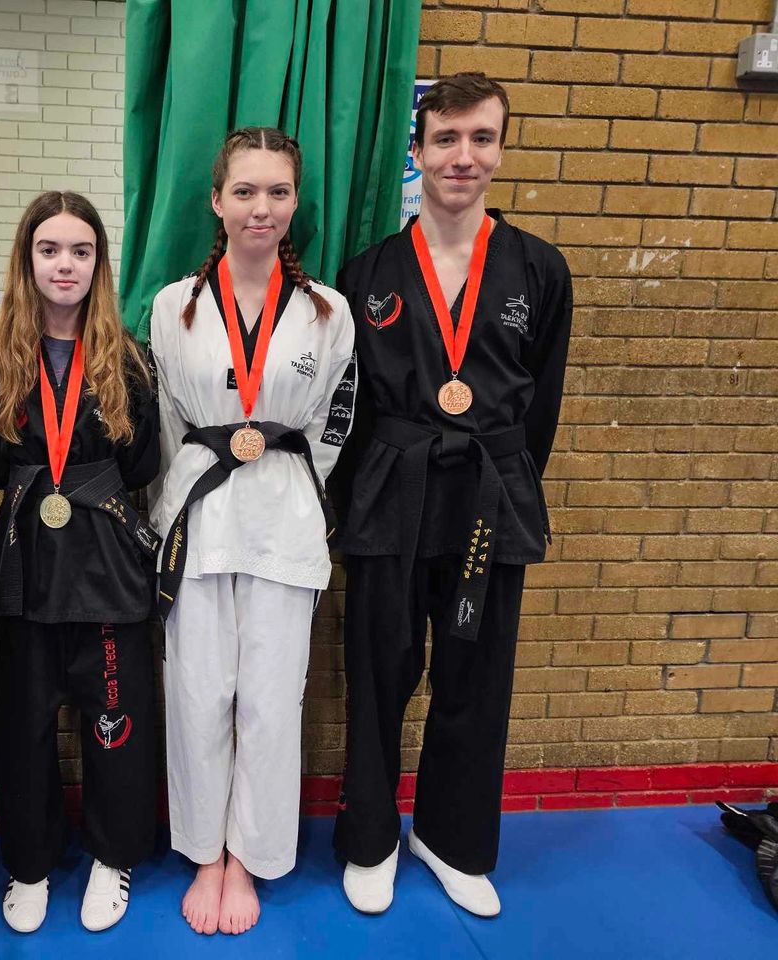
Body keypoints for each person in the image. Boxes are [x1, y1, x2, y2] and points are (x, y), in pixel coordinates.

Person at [332, 72, 573, 918]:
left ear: (501, 148)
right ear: (418, 149)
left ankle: (451, 839)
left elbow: (541, 405)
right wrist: (353, 503)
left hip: (487, 495)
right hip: (391, 494)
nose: (463, 156)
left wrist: (505, 482)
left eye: (481, 138)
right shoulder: (367, 272)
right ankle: (371, 838)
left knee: (477, 676)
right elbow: (350, 406)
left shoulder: (539, 269)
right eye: (446, 138)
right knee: (378, 672)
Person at [148, 127, 357, 936]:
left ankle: (250, 857)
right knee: (199, 694)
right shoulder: (175, 306)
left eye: (277, 191)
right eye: (244, 191)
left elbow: (334, 422)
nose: (260, 207)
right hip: (200, 514)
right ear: (216, 200)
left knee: (270, 702)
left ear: (296, 202)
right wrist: (175, 502)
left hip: (285, 516)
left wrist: (297, 485)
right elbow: (167, 420)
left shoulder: (328, 312)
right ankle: (205, 852)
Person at [0, 191, 160, 934]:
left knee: (116, 716)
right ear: (27, 260)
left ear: (98, 263)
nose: (65, 265)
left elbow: (143, 461)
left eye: (82, 251)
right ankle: (31, 862)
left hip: (107, 555)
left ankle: (114, 855)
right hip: (28, 556)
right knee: (23, 722)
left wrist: (83, 483)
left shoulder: (127, 357)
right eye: (49, 250)